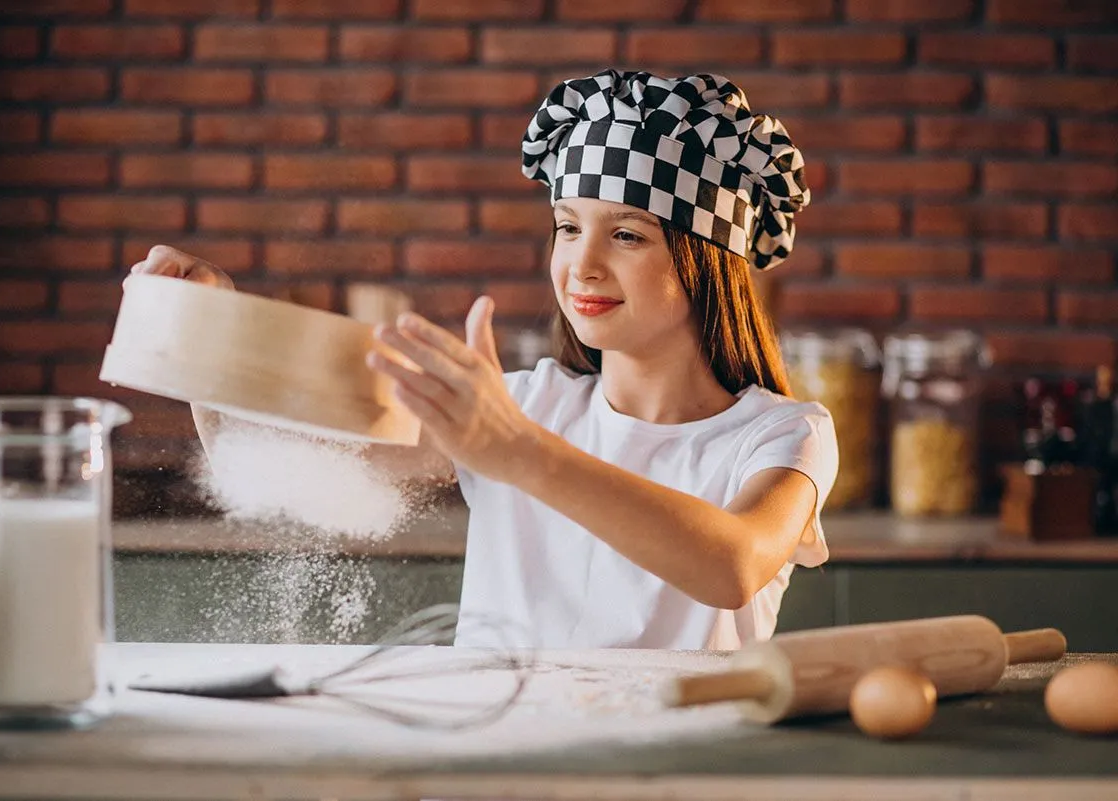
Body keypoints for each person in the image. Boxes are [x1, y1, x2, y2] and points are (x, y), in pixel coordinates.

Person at [127, 70, 837, 652]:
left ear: (706, 263)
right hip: (497, 761)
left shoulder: (782, 435)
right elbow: (276, 466)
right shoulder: (519, 406)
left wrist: (517, 451)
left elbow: (734, 565)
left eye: (627, 234)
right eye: (566, 228)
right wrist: (207, 336)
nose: (580, 265)